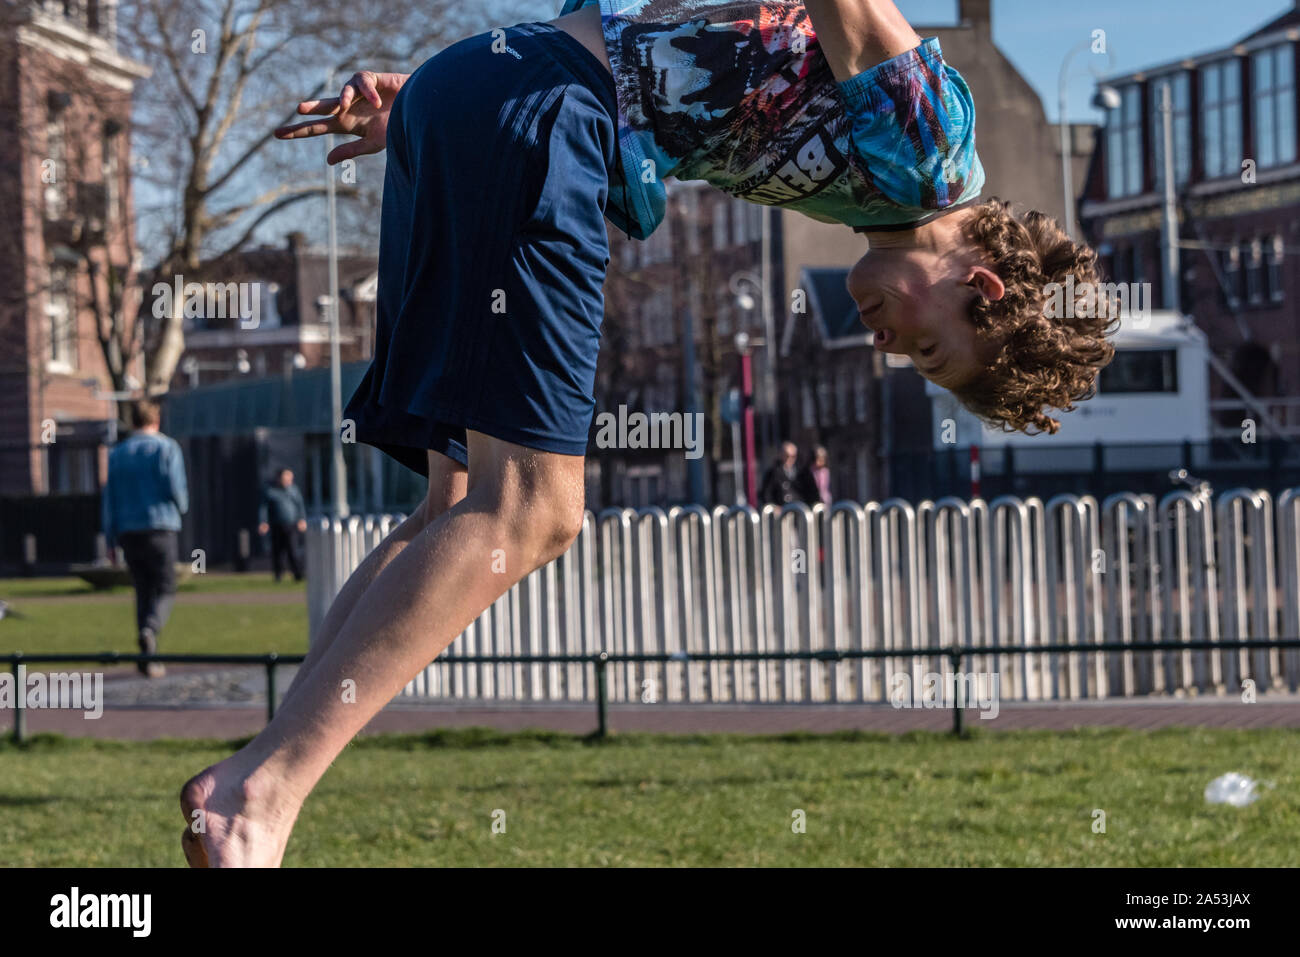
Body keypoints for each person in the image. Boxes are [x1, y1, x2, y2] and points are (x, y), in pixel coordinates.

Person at [177, 0, 1115, 867]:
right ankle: (260, 793)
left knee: (454, 503)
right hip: (536, 107)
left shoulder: (881, 194)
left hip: (480, 99)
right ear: (980, 286)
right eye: (929, 347)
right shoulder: (930, 146)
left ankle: (259, 774)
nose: (888, 347)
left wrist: (443, 102)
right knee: (533, 511)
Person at [101, 399, 189, 679]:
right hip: (159, 525)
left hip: (128, 530)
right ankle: (150, 629)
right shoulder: (166, 448)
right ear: (156, 420)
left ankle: (146, 658)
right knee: (166, 586)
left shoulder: (117, 454)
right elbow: (175, 487)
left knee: (142, 590)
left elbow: (110, 499)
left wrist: (110, 538)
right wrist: (181, 506)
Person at [258, 469, 308, 582]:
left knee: (293, 550)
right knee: (277, 551)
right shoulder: (270, 491)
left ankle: (298, 574)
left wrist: (302, 519)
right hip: (277, 525)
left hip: (291, 525)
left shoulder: (293, 490)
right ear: (279, 478)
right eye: (286, 478)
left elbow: (300, 505)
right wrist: (263, 522)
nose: (288, 481)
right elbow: (263, 508)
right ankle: (278, 575)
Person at [759, 442, 802, 506]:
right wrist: (774, 507)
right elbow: (766, 494)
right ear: (780, 455)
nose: (789, 459)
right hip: (782, 508)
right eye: (786, 456)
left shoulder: (800, 472)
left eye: (793, 456)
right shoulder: (773, 473)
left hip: (797, 508)